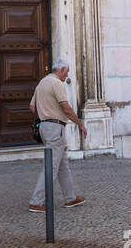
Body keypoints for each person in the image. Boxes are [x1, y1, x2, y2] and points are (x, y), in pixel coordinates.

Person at [28, 58, 87, 211]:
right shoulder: (56, 83)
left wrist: (45, 113)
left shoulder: (42, 82)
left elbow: (32, 107)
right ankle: (36, 201)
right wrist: (80, 124)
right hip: (55, 127)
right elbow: (66, 108)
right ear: (61, 70)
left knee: (62, 165)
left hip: (45, 126)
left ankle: (70, 198)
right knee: (52, 166)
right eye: (66, 72)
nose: (67, 76)